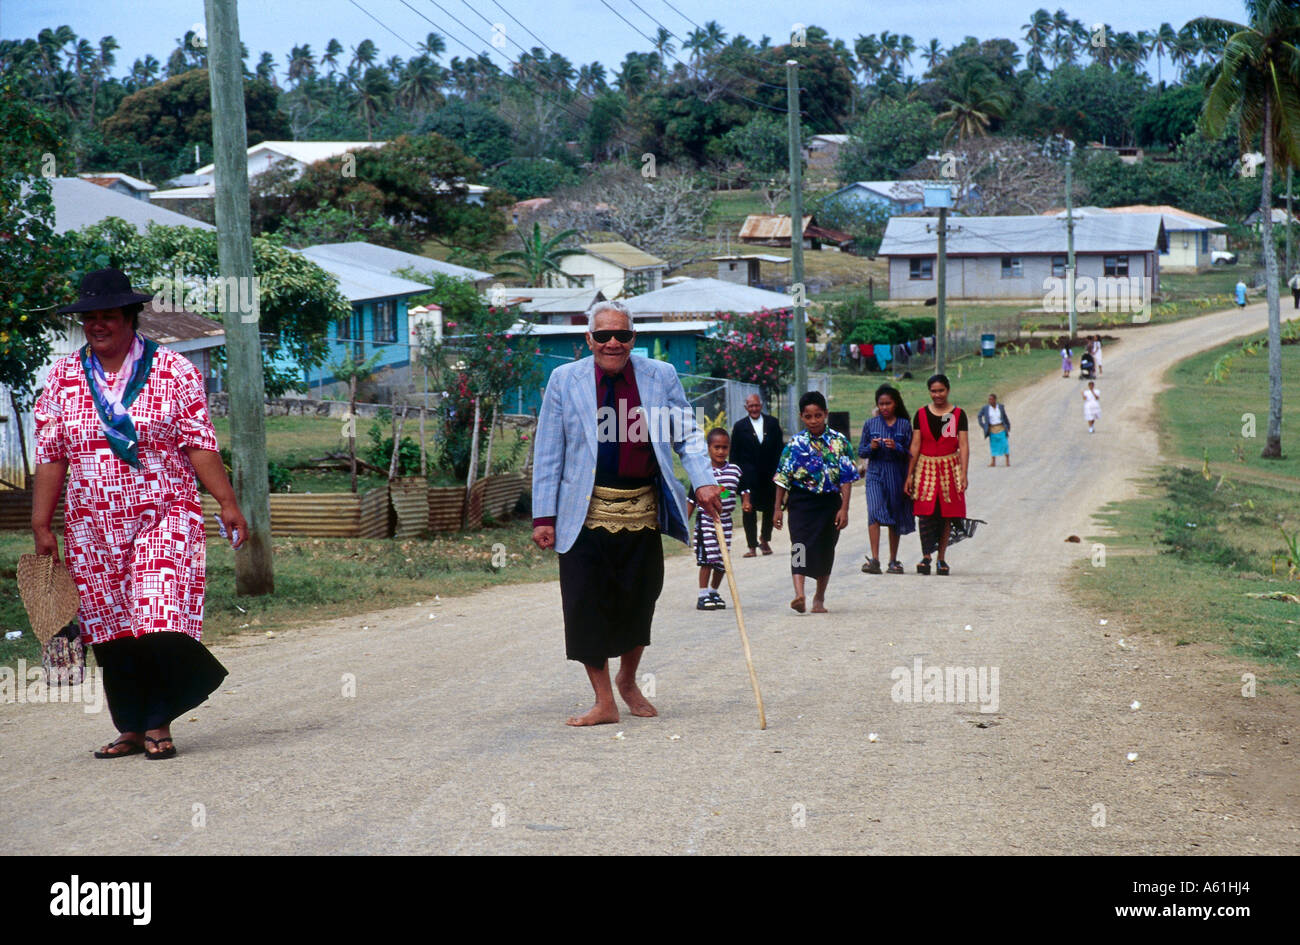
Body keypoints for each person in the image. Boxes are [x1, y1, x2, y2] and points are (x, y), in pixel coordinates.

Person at [31, 268, 247, 760]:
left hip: (164, 515)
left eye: (108, 316)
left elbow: (199, 444)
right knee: (112, 627)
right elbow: (52, 455)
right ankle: (129, 725)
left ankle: (158, 721)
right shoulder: (64, 377)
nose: (98, 325)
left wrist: (227, 502)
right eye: (90, 318)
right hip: (91, 525)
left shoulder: (173, 371)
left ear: (131, 318)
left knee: (157, 616)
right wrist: (42, 525)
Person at [531, 300, 720, 726]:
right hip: (582, 511)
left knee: (641, 598)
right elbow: (548, 451)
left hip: (642, 509)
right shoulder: (564, 380)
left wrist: (704, 480)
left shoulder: (660, 375)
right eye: (603, 335)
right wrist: (543, 516)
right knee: (584, 604)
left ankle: (628, 680)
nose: (613, 342)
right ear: (589, 339)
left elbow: (687, 433)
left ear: (634, 338)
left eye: (622, 335)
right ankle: (603, 701)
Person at [772, 391, 860, 613]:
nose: (813, 421)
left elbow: (847, 478)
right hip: (801, 502)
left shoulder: (839, 442)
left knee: (825, 548)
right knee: (799, 544)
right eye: (808, 416)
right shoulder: (795, 444)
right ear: (802, 416)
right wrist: (777, 509)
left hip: (830, 503)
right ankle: (799, 594)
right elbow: (783, 478)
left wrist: (844, 508)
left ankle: (819, 598)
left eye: (818, 416)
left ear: (826, 414)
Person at [905, 374, 970, 576]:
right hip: (925, 468)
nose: (937, 394)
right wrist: (909, 474)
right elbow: (915, 445)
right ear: (929, 392)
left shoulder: (958, 414)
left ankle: (941, 559)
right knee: (924, 513)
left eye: (941, 390)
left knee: (946, 514)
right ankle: (926, 556)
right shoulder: (921, 414)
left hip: (949, 468)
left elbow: (963, 445)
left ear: (948, 390)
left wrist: (964, 474)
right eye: (933, 391)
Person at [858, 385, 914, 575]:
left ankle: (893, 560)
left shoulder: (905, 425)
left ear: (895, 403)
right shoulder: (870, 424)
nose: (884, 407)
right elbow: (861, 451)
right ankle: (875, 559)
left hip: (896, 473)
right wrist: (871, 447)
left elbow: (910, 453)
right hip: (875, 473)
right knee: (874, 512)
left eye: (888, 403)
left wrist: (896, 447)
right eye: (881, 404)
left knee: (894, 515)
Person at [686, 429, 744, 610]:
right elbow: (692, 499)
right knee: (708, 559)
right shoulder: (702, 474)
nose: (720, 451)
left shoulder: (734, 471)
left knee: (722, 560)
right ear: (708, 448)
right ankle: (702, 595)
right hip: (706, 522)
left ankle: (713, 592)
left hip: (725, 522)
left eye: (724, 448)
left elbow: (740, 489)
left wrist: (746, 501)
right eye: (716, 447)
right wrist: (684, 521)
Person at [730, 394, 783, 556]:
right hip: (748, 477)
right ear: (746, 407)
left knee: (769, 509)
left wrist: (780, 474)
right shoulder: (740, 427)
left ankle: (765, 540)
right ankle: (751, 546)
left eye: (757, 405)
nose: (754, 409)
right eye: (751, 406)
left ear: (761, 405)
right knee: (748, 510)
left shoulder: (772, 423)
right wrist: (735, 477)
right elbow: (734, 455)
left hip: (769, 476)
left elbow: (780, 450)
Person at [977, 393, 1011, 467]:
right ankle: (993, 462)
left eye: (991, 399)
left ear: (995, 400)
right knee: (993, 445)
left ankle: (1007, 461)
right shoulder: (986, 408)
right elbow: (979, 415)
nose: (990, 401)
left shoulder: (1000, 407)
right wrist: (983, 425)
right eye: (989, 399)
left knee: (1004, 444)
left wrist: (1008, 426)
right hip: (992, 429)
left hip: (1001, 427)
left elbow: (1005, 417)